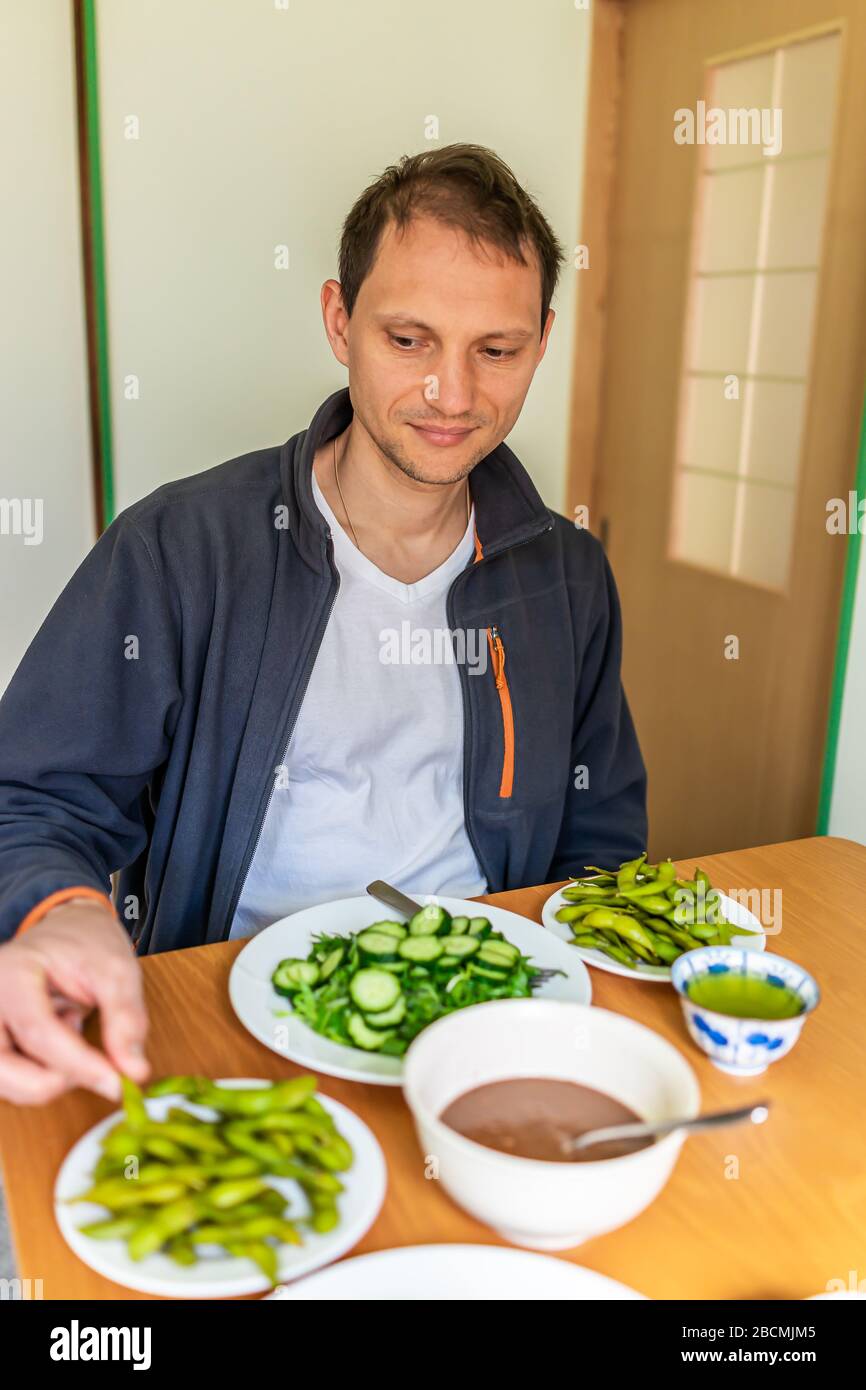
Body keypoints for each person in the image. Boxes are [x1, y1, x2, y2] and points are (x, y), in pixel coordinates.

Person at [0, 144, 646, 1105]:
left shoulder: (567, 575)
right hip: (219, 1011)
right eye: (410, 339)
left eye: (496, 350)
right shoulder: (182, 546)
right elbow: (35, 797)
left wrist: (557, 1000)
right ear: (341, 321)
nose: (453, 394)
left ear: (543, 341)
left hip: (483, 1019)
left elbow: (600, 837)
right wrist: (63, 910)